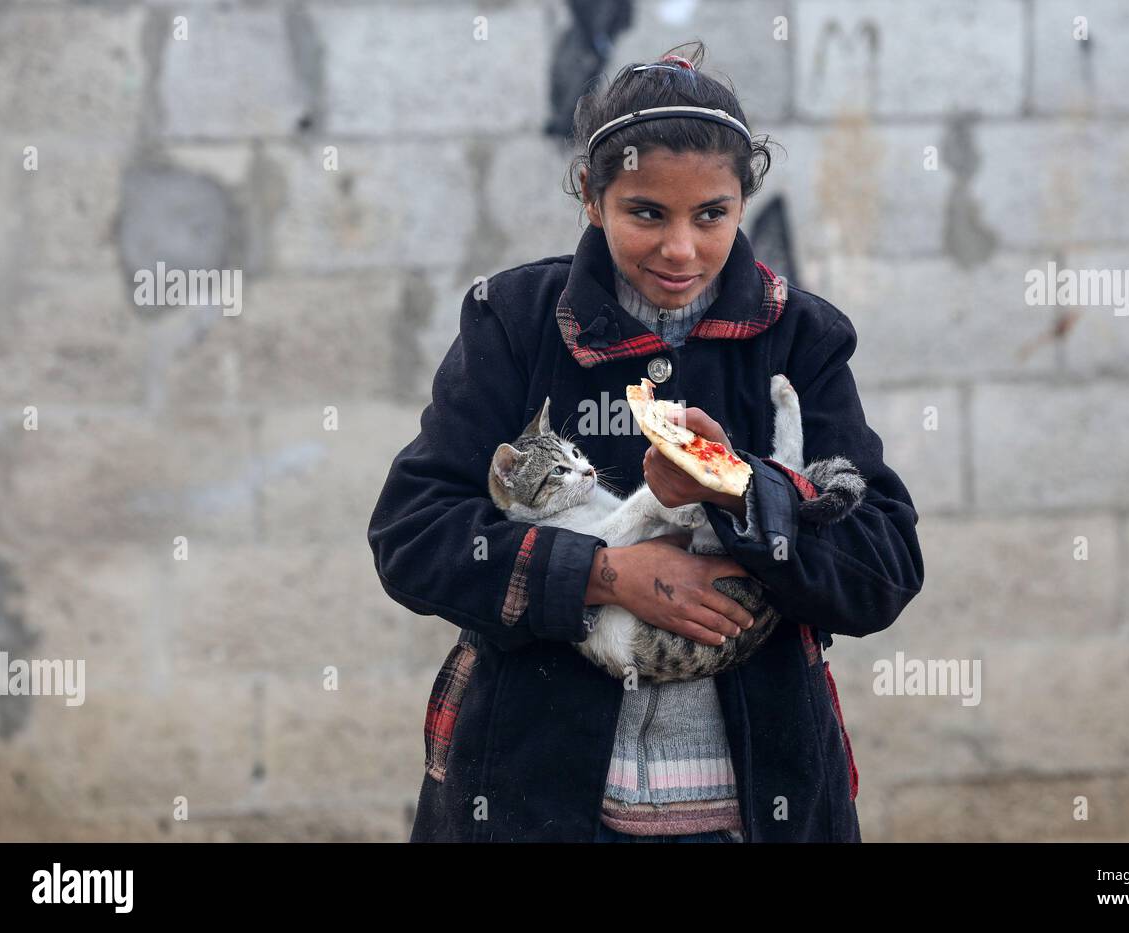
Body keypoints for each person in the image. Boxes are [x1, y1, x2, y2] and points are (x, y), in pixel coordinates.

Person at [366, 42, 924, 843]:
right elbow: (413, 535)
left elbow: (883, 568)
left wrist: (737, 488)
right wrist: (602, 573)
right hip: (531, 801)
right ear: (594, 199)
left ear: (743, 202)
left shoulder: (802, 339)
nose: (681, 250)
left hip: (758, 808)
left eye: (712, 215)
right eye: (646, 213)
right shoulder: (515, 323)